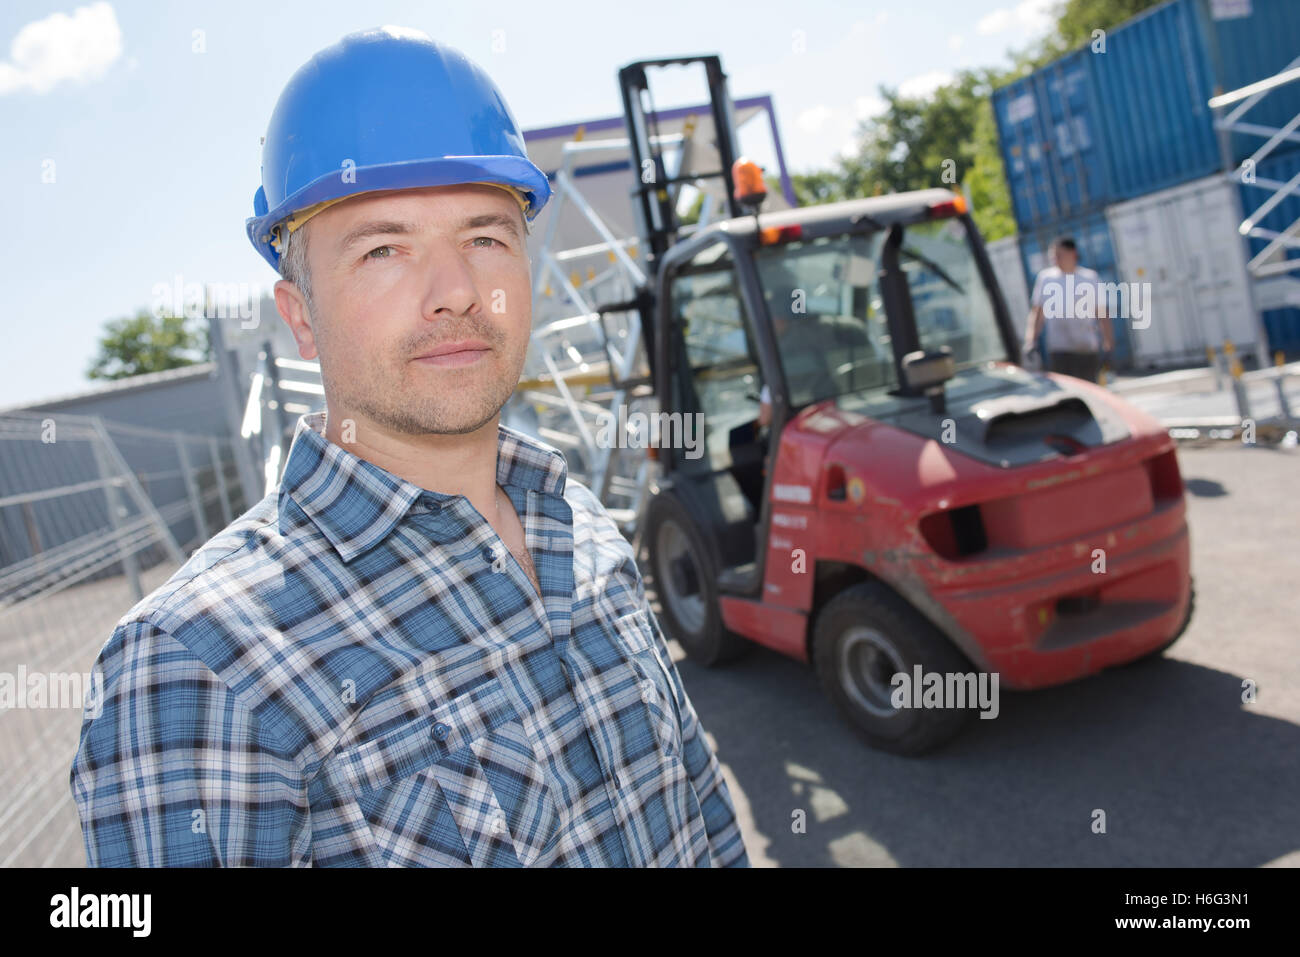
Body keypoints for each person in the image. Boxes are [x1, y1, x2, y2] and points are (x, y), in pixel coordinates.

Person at [69, 28, 748, 869]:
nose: (456, 291)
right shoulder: (196, 669)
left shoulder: (586, 529)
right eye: (385, 249)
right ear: (300, 315)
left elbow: (703, 810)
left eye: (486, 237)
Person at [1022, 236, 1114, 383]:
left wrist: (1108, 343)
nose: (1055, 259)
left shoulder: (1089, 278)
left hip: (1086, 348)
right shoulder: (1046, 279)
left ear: (1073, 253)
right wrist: (1030, 341)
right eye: (1053, 256)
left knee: (1089, 389)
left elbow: (1102, 313)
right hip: (1059, 349)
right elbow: (1037, 313)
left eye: (1059, 255)